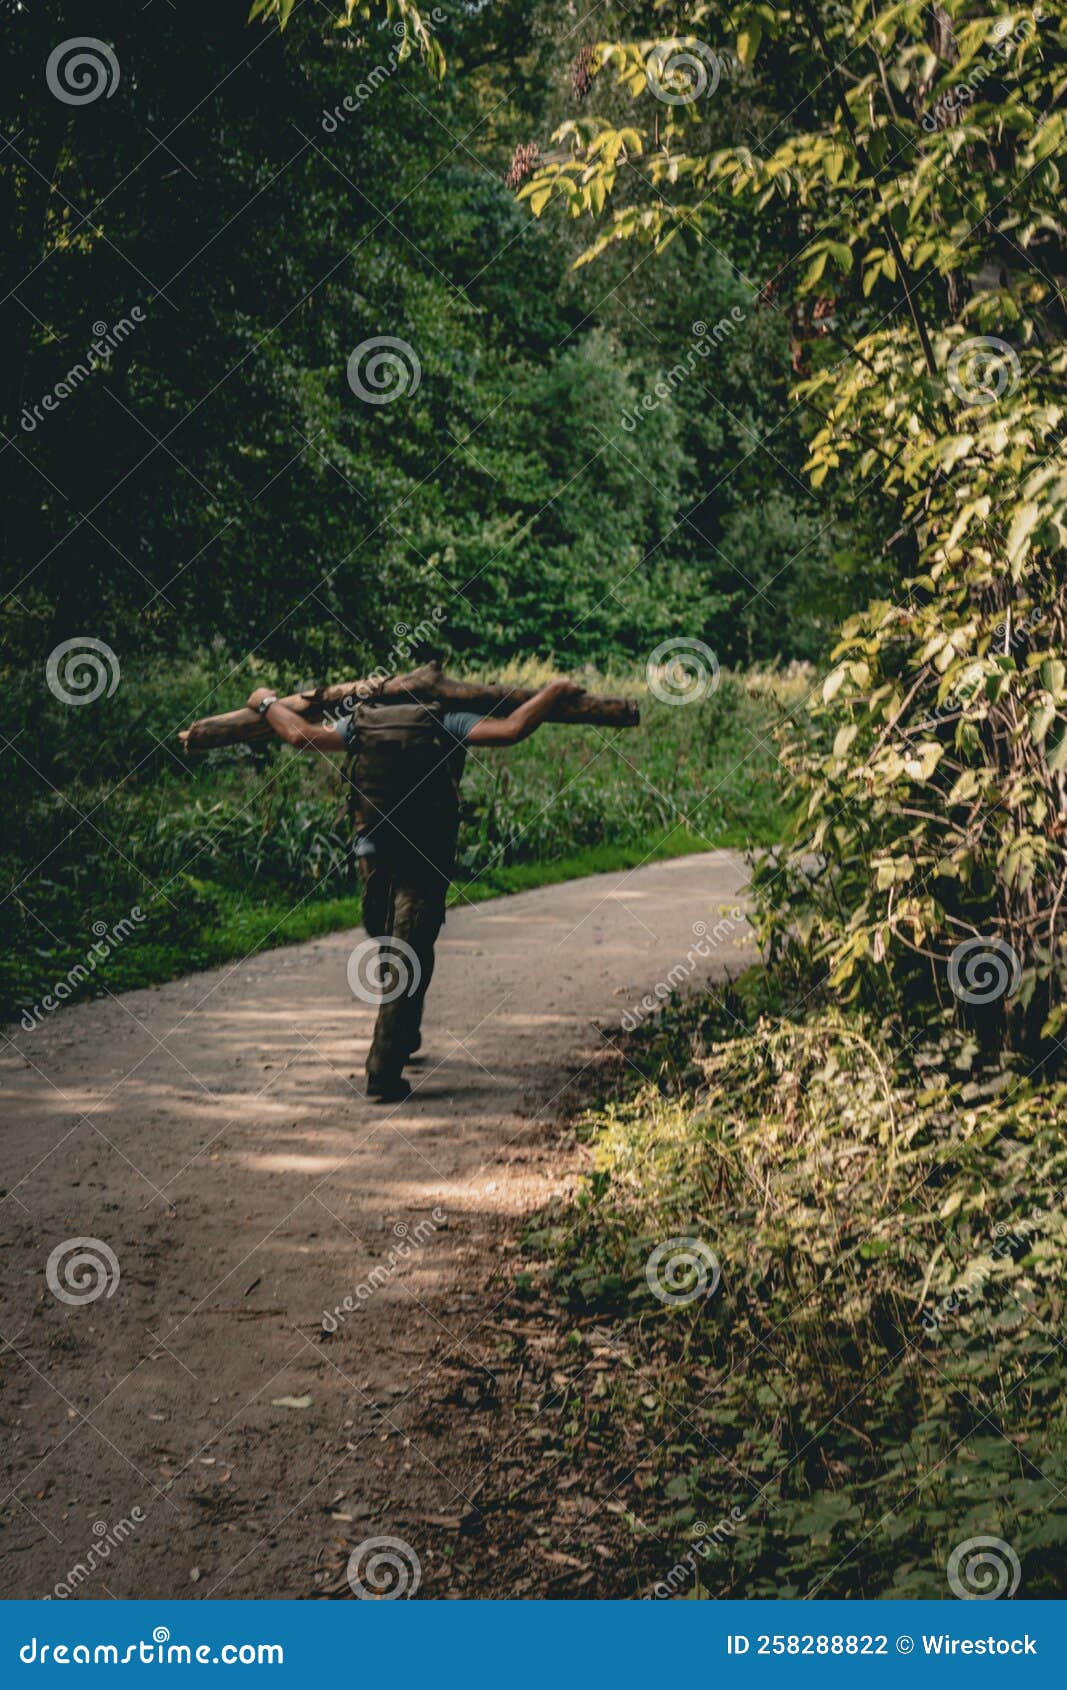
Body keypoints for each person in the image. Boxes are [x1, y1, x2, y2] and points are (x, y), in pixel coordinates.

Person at [246, 676, 584, 1102]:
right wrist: (554, 691)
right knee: (408, 950)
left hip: (372, 852)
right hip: (426, 851)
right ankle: (383, 1075)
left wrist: (265, 702)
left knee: (392, 946)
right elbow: (512, 729)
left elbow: (300, 735)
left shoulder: (361, 723)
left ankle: (399, 1039)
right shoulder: (446, 720)